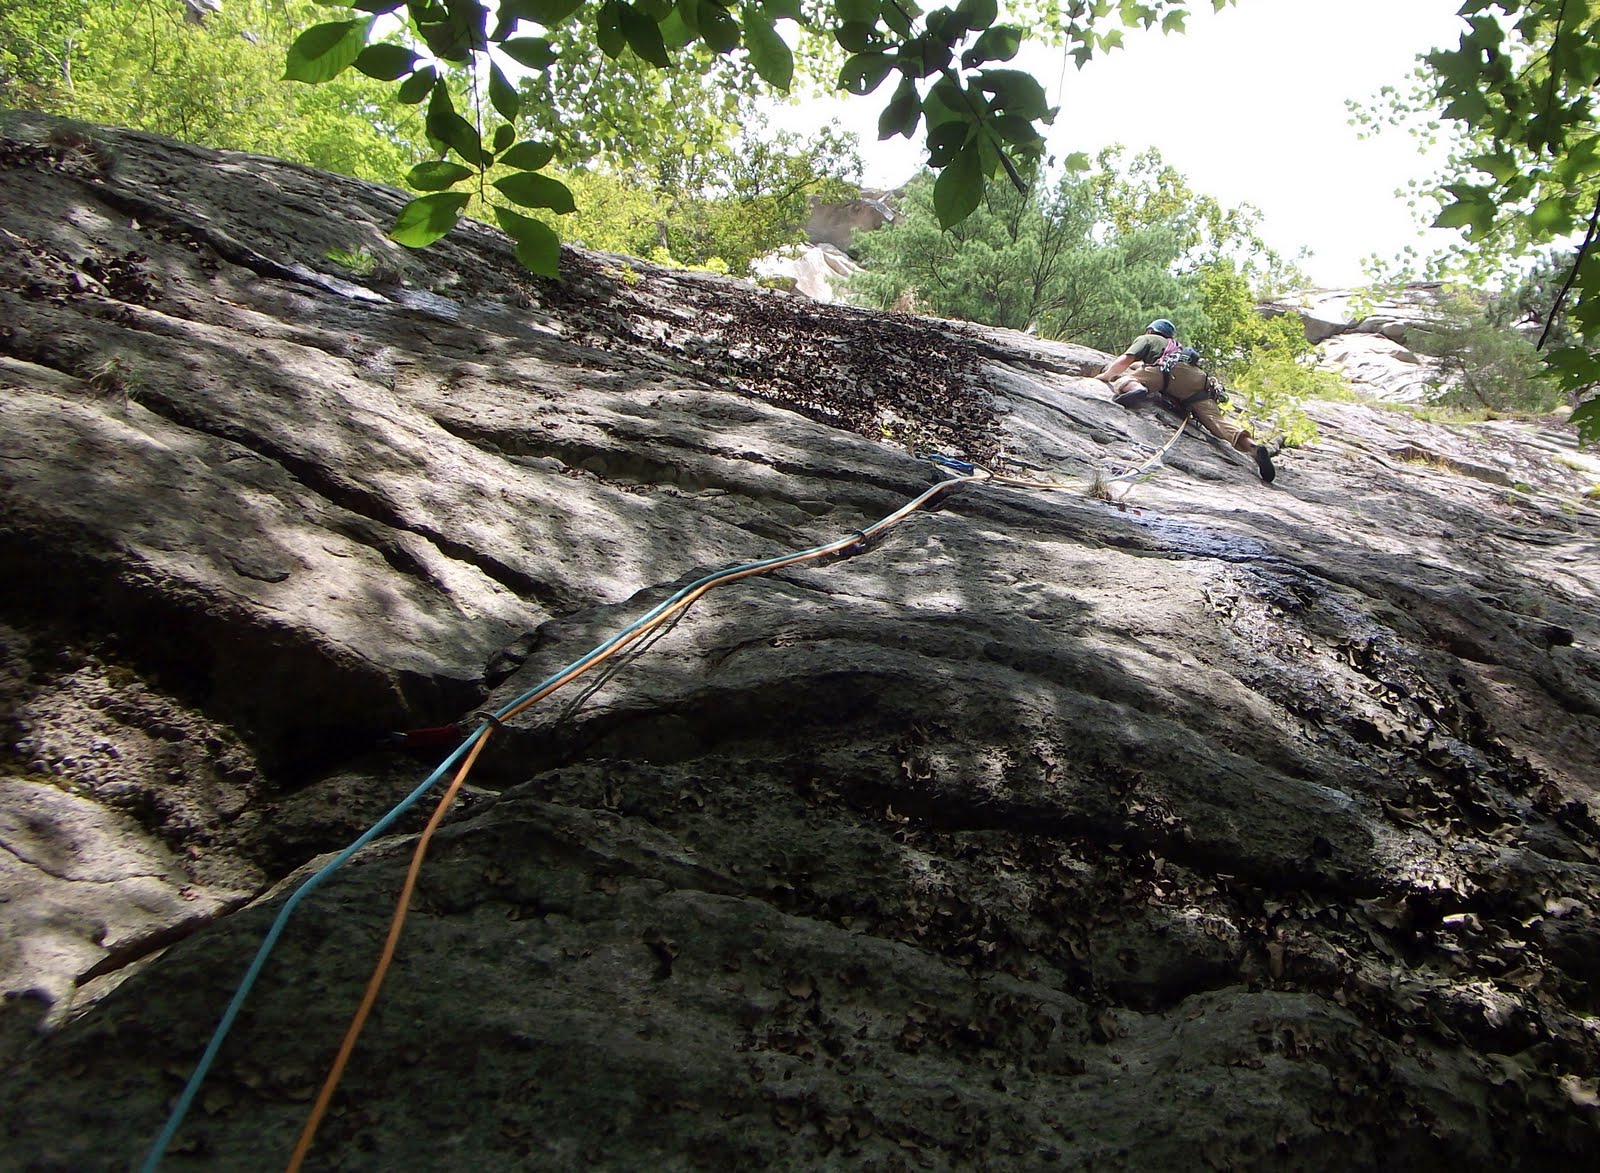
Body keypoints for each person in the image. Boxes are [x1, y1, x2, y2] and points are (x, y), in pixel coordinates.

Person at [1095, 319, 1276, 483]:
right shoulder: (1177, 348)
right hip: (1196, 380)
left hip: (1166, 373)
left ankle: (1137, 389)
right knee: (1218, 423)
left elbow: (1127, 360)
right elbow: (1144, 365)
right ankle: (1253, 447)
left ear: (1151, 331)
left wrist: (1106, 375)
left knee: (1124, 380)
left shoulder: (1148, 339)